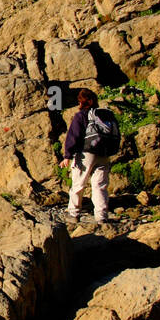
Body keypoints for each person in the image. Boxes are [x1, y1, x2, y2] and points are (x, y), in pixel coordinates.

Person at [62, 88, 110, 224]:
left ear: (81, 101)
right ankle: (102, 217)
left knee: (79, 184)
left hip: (86, 154)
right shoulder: (103, 114)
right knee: (100, 185)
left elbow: (74, 136)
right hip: (104, 154)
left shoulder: (81, 116)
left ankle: (73, 213)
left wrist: (68, 155)